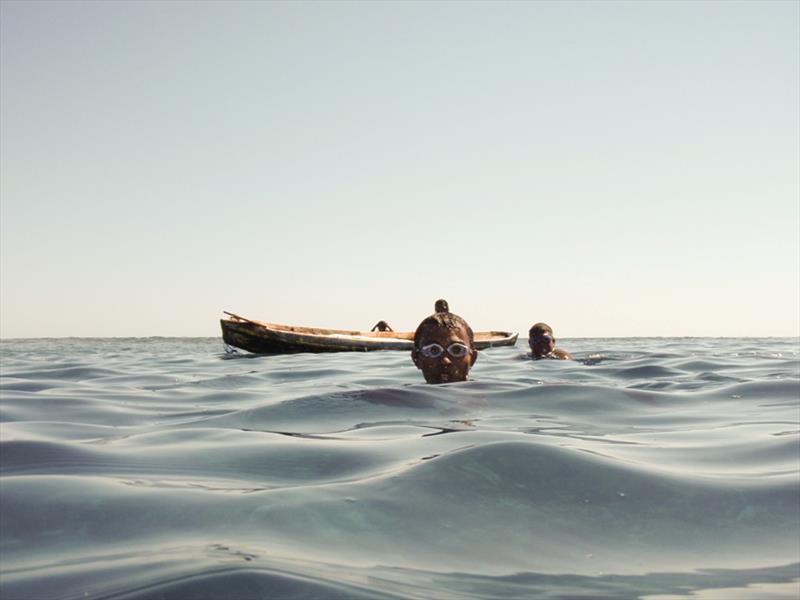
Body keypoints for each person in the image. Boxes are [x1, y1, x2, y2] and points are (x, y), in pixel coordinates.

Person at [411, 304, 478, 384]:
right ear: (416, 359)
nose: (445, 361)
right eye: (433, 350)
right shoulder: (402, 396)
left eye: (456, 350)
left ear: (473, 358)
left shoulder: (483, 393)